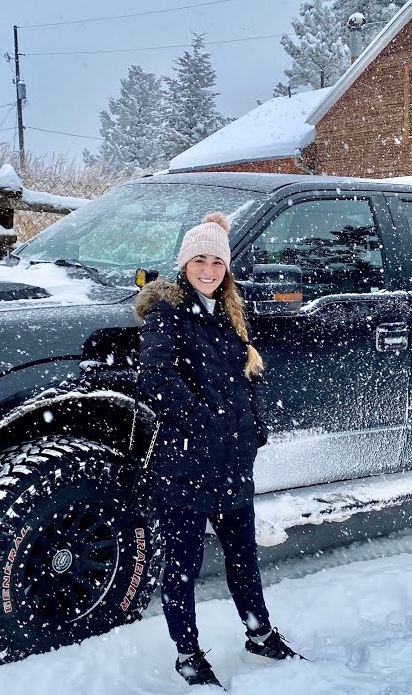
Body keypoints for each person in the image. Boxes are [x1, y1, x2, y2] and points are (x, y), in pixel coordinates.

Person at [134, 212, 303, 688]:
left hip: (232, 460)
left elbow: (250, 377)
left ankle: (260, 634)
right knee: (183, 566)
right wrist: (201, 421)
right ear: (184, 263)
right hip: (186, 463)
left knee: (243, 557)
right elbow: (156, 377)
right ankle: (187, 654)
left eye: (217, 262)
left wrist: (255, 428)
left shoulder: (229, 314)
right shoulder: (166, 312)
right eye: (199, 260)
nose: (208, 270)